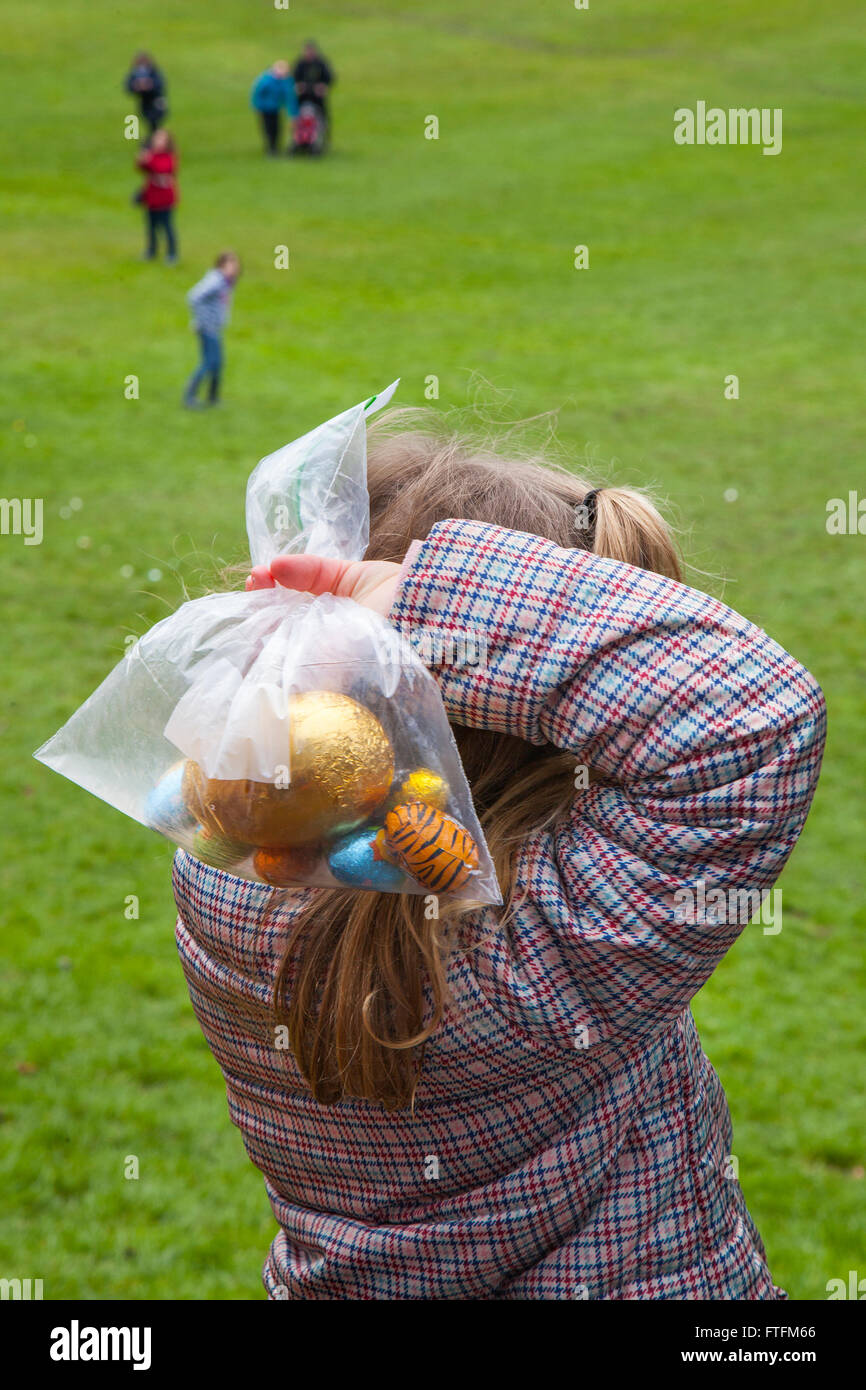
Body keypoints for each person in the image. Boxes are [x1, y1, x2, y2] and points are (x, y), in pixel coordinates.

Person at [170, 415, 826, 1299]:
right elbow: (749, 720)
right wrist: (424, 612)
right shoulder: (548, 948)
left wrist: (332, 683)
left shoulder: (227, 878)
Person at [183, 252, 241, 408]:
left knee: (218, 363)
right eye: (230, 265)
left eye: (235, 265)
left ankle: (212, 398)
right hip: (208, 328)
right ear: (221, 265)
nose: (234, 269)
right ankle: (189, 396)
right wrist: (202, 321)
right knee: (209, 362)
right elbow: (194, 296)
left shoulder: (225, 281)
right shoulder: (215, 280)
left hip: (214, 327)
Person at [136, 129, 178, 263]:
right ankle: (151, 250)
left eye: (161, 140)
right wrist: (141, 159)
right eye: (156, 139)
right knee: (151, 226)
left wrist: (148, 160)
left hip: (165, 199)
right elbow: (142, 168)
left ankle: (172, 253)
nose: (158, 142)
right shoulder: (152, 155)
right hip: (152, 197)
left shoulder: (169, 157)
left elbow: (163, 169)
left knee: (167, 226)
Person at [250, 60, 298, 155]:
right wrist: (257, 106)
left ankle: (275, 148)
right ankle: (270, 149)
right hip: (265, 109)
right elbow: (257, 94)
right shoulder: (266, 80)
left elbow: (290, 98)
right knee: (268, 128)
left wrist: (293, 114)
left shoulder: (285, 81)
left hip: (276, 108)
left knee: (277, 129)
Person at [125, 52, 168, 135]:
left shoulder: (154, 72)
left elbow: (160, 85)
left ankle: (154, 140)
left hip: (156, 102)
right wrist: (136, 87)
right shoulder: (135, 73)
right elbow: (128, 86)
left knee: (155, 124)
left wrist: (150, 86)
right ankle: (153, 140)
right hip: (145, 103)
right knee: (150, 125)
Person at [292, 39, 334, 115]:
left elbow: (329, 77)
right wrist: (297, 86)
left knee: (321, 116)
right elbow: (294, 77)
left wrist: (324, 86)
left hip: (317, 96)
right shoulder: (300, 63)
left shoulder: (320, 63)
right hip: (303, 96)